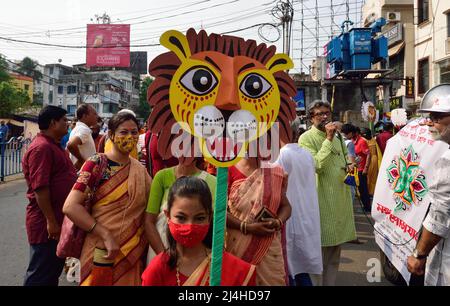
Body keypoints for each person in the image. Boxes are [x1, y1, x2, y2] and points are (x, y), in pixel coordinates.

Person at [62, 112, 151, 286]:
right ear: (111, 135)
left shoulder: (140, 171)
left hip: (132, 250)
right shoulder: (97, 163)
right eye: (123, 132)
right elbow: (70, 207)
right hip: (101, 247)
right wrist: (105, 234)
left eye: (134, 132)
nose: (130, 137)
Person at [142, 176, 256, 286]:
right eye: (181, 218)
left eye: (199, 218)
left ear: (209, 218)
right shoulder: (157, 270)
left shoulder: (237, 272)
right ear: (168, 216)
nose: (190, 226)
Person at [298, 100, 356, 286]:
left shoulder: (339, 137)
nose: (324, 117)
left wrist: (350, 164)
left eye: (327, 113)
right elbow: (316, 165)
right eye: (319, 114)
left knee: (335, 254)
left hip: (339, 200)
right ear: (310, 118)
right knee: (319, 257)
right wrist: (328, 139)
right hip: (321, 202)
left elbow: (343, 159)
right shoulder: (306, 138)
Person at [22, 106, 77, 286]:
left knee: (51, 271)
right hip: (46, 224)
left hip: (57, 220)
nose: (67, 124)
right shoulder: (42, 148)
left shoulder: (53, 145)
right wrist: (51, 221)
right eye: (64, 121)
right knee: (40, 273)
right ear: (53, 123)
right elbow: (40, 188)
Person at [407, 84, 450, 286]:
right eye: (429, 118)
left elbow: (440, 216)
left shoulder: (447, 160)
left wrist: (419, 254)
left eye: (436, 118)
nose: (430, 124)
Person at [225, 157, 292, 286]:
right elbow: (220, 211)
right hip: (238, 246)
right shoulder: (228, 170)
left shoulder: (273, 172)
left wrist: (278, 222)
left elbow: (286, 206)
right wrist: (246, 227)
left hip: (269, 247)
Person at [274, 121, 322, 286]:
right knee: (299, 269)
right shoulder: (305, 153)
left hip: (290, 218)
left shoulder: (283, 154)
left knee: (291, 269)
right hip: (303, 215)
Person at [144, 158, 216, 263]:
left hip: (200, 257)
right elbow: (149, 222)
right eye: (181, 144)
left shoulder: (213, 182)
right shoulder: (162, 177)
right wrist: (165, 259)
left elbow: (217, 222)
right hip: (161, 249)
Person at [341, 124, 371, 212]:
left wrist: (366, 167)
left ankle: (367, 207)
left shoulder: (361, 141)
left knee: (363, 189)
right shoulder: (350, 141)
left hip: (361, 169)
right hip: (353, 169)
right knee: (354, 190)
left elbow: (368, 154)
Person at [67, 104, 98, 170]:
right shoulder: (84, 129)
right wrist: (81, 160)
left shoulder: (78, 128)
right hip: (83, 172)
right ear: (85, 116)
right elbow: (71, 145)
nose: (97, 116)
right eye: (94, 114)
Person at [361, 128, 381, 197]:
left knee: (368, 176)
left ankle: (368, 191)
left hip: (368, 160)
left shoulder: (364, 140)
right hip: (375, 158)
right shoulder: (373, 140)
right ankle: (372, 192)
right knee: (374, 176)